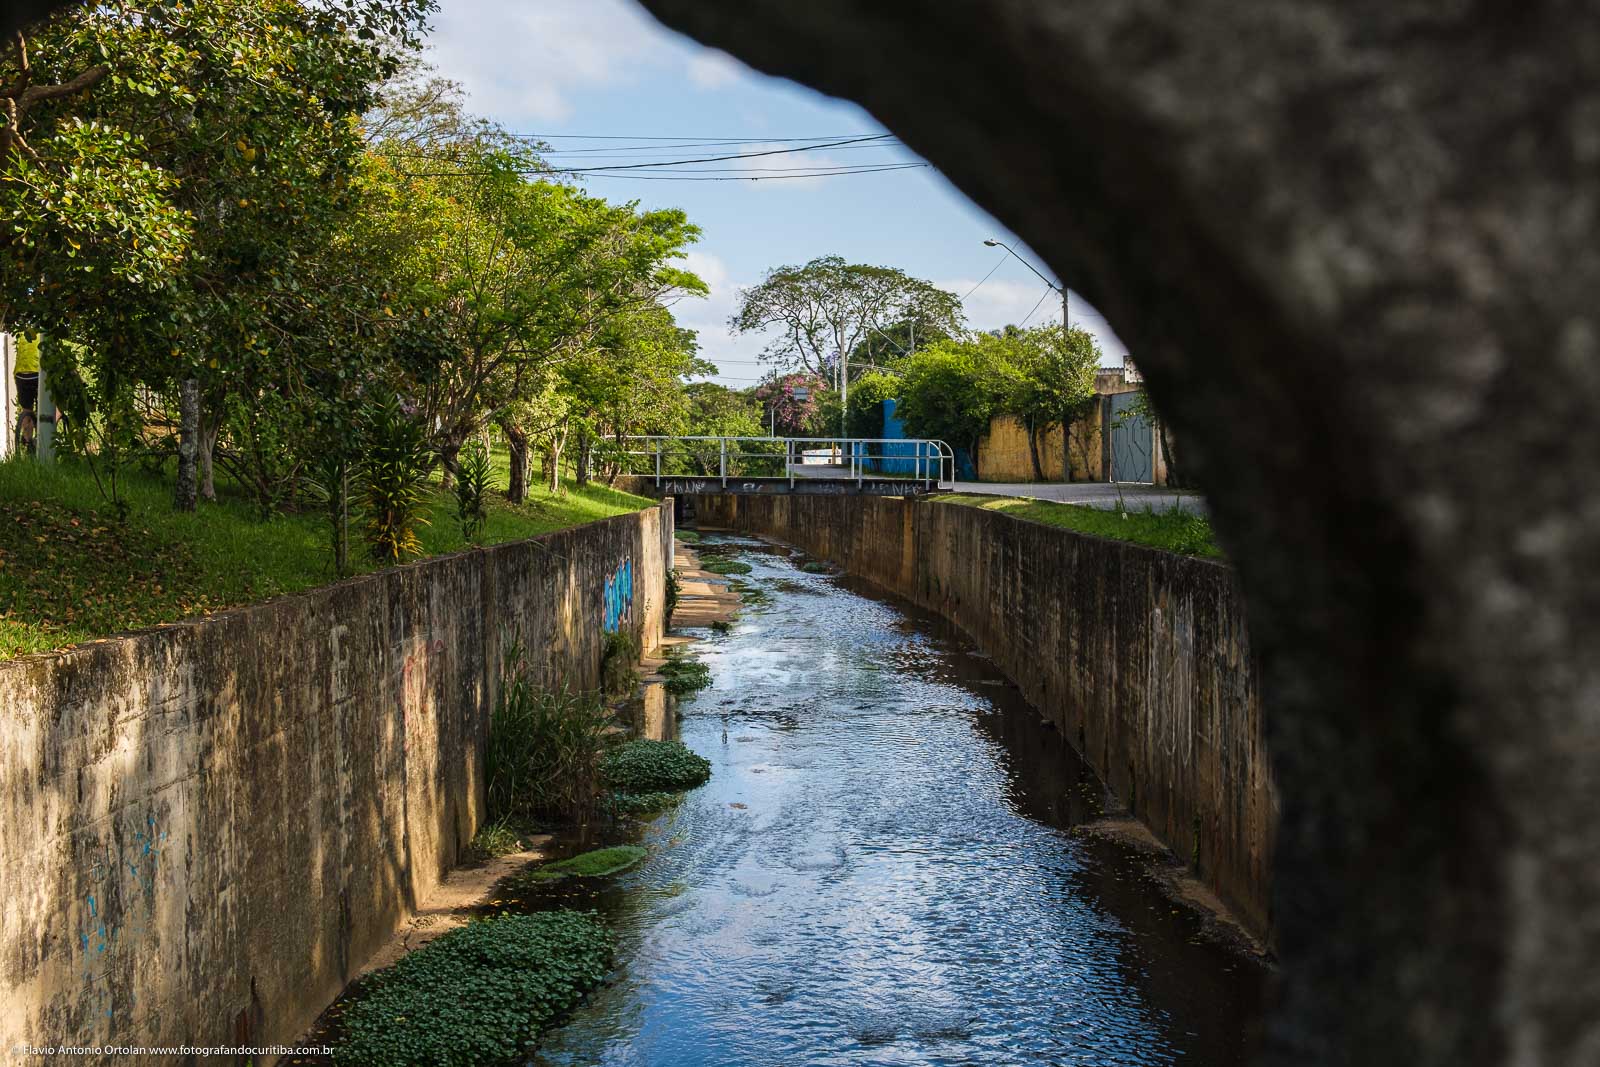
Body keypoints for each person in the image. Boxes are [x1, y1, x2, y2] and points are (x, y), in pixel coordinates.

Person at [13, 332, 40, 449]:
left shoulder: (22, 334)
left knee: (27, 408)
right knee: (48, 405)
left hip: (20, 375)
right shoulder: (46, 334)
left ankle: (28, 441)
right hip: (37, 374)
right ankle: (44, 434)